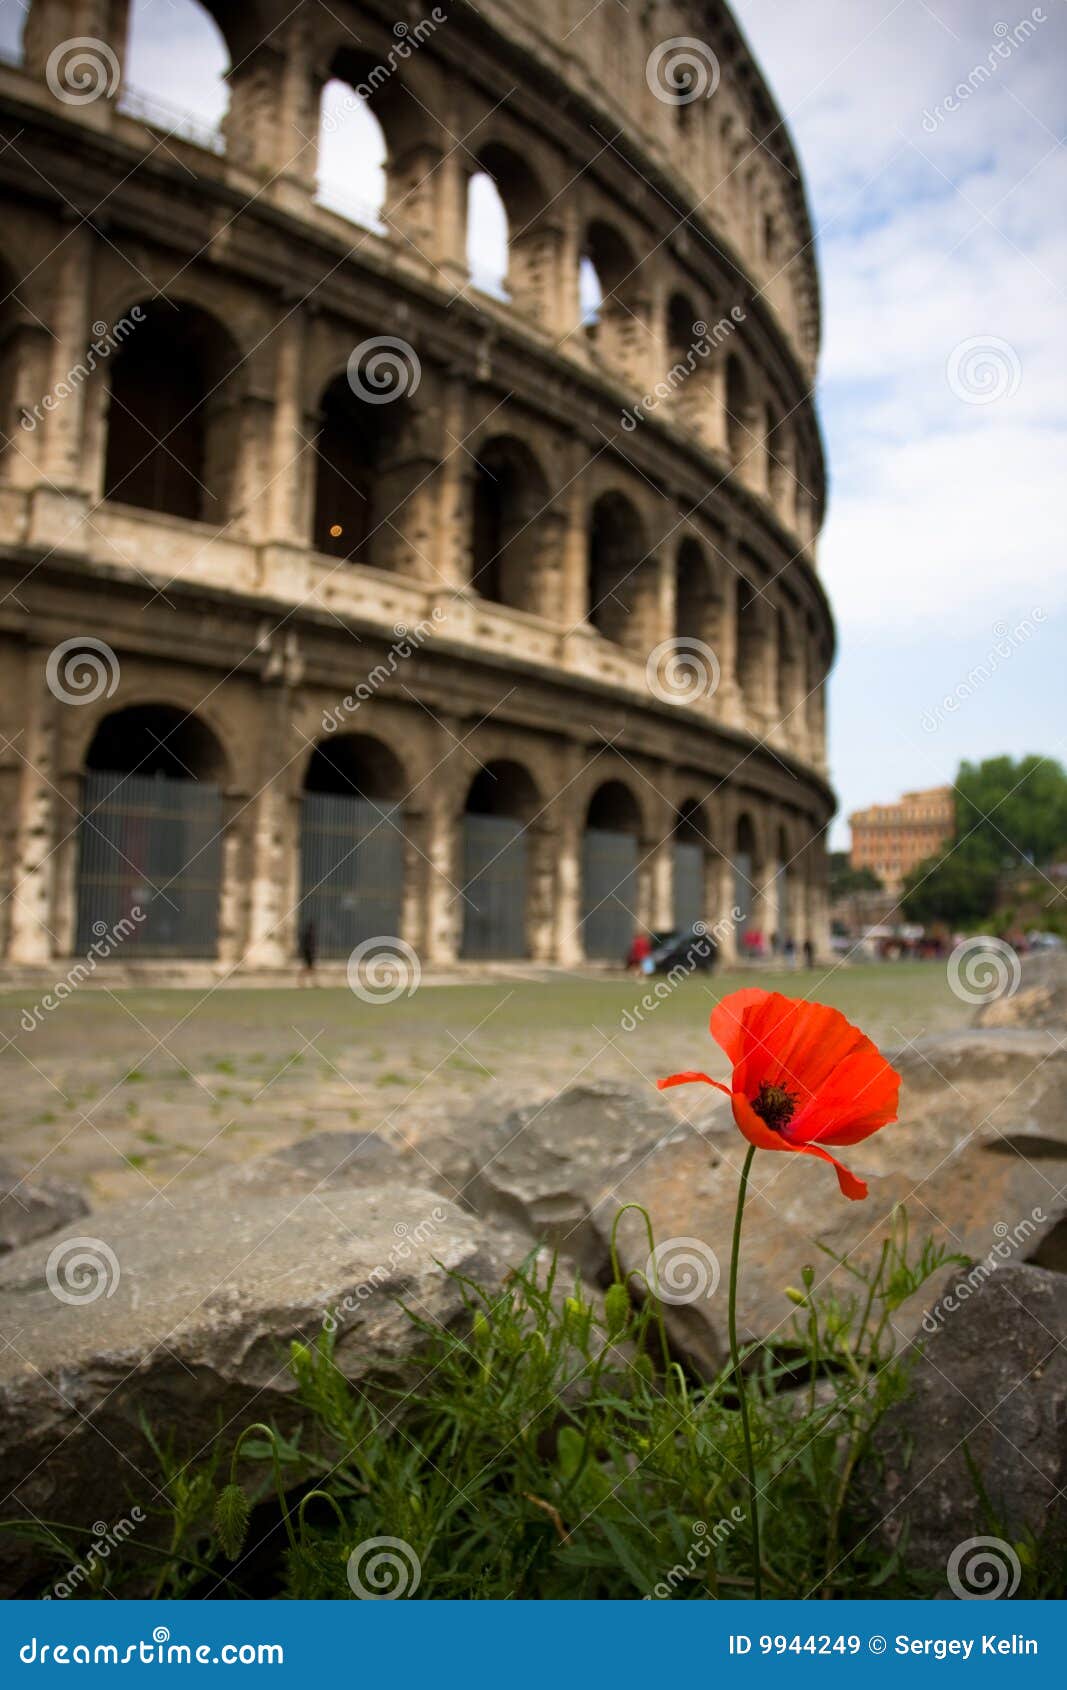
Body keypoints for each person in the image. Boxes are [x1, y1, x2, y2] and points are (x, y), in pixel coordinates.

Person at [299, 918, 317, 984]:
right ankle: (303, 981)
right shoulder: (309, 935)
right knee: (308, 968)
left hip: (308, 954)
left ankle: (313, 982)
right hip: (308, 954)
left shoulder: (309, 934)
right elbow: (308, 946)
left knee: (310, 968)